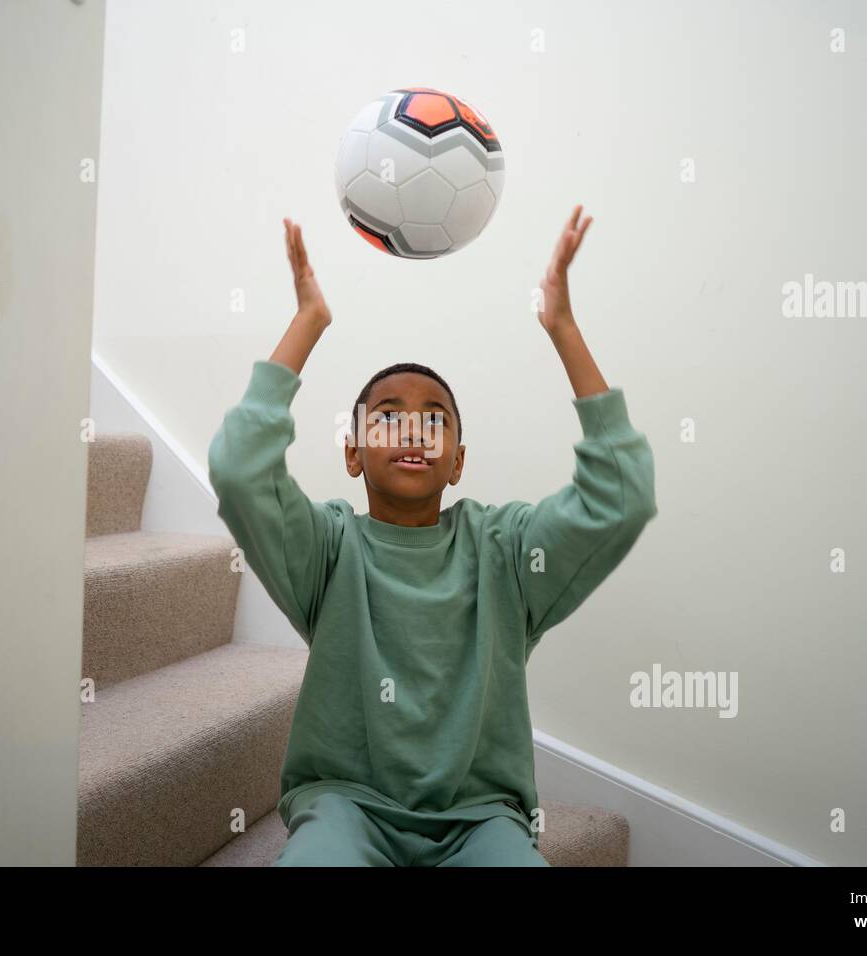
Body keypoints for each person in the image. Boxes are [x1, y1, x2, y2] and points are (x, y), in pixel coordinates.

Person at [206, 206, 658, 866]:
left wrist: (563, 329)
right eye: (387, 417)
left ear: (457, 460)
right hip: (345, 802)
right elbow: (239, 469)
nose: (412, 429)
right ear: (354, 453)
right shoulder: (327, 550)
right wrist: (308, 324)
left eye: (434, 419)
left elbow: (622, 496)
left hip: (482, 818)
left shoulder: (504, 549)